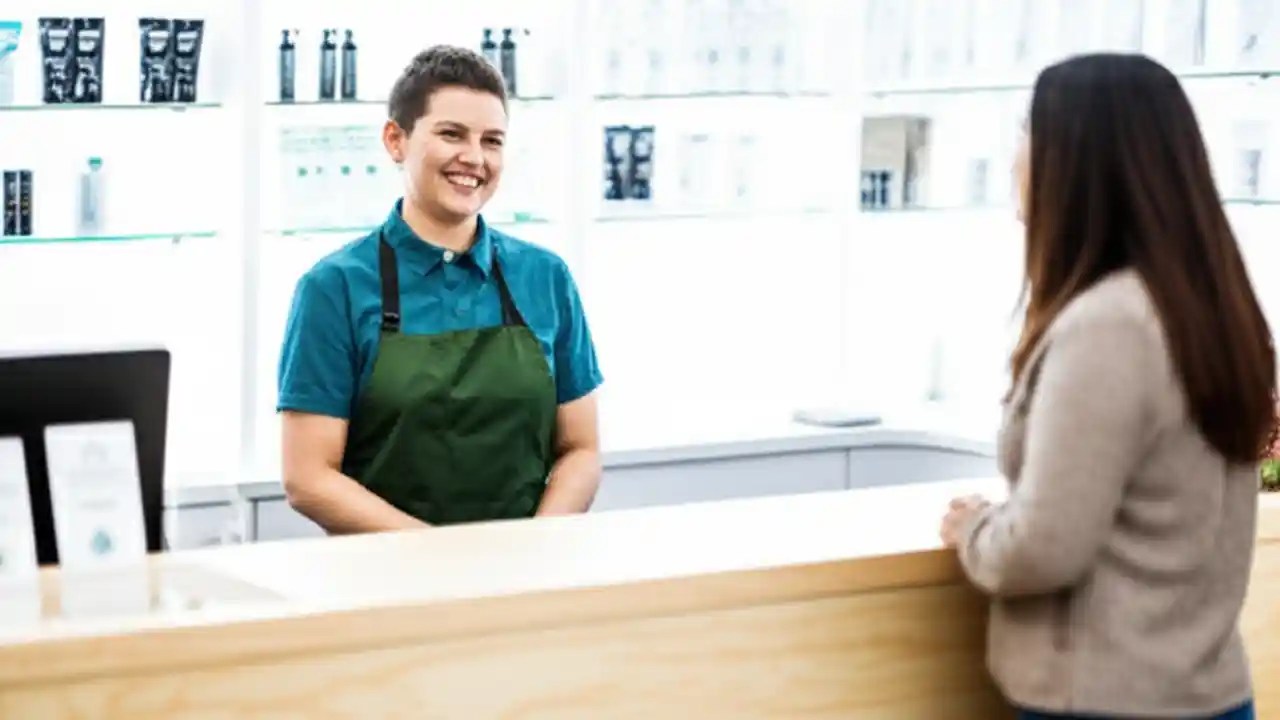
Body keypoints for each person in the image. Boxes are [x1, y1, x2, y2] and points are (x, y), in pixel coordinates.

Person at [939, 53, 1277, 720]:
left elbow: (1045, 547)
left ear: (1077, 163)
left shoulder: (1109, 327)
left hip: (1106, 703)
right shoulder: (1210, 309)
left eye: (1026, 135)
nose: (1015, 158)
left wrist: (973, 527)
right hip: (1208, 696)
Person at [276, 46, 604, 533]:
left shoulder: (545, 277)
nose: (474, 158)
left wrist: (538, 544)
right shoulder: (333, 289)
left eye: (492, 141)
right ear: (395, 140)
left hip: (525, 578)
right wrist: (438, 558)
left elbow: (581, 448)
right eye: (452, 134)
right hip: (389, 583)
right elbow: (308, 477)